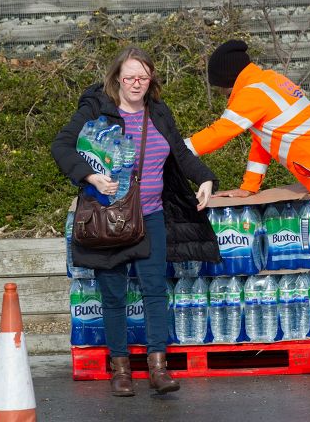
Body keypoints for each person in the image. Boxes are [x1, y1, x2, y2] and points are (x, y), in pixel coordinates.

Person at [185, 39, 310, 364]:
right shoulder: (269, 82)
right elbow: (264, 140)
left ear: (226, 78)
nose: (220, 94)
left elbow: (221, 131)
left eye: (219, 87)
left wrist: (179, 149)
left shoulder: (253, 93)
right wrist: (249, 187)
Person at [52, 46, 220, 397]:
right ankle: (121, 368)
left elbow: (180, 153)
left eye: (143, 77)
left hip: (152, 215)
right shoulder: (96, 109)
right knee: (112, 295)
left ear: (151, 79)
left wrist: (205, 179)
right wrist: (90, 177)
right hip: (106, 218)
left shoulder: (158, 112)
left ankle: (158, 367)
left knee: (155, 290)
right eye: (129, 76)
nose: (136, 83)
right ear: (116, 78)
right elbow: (62, 146)